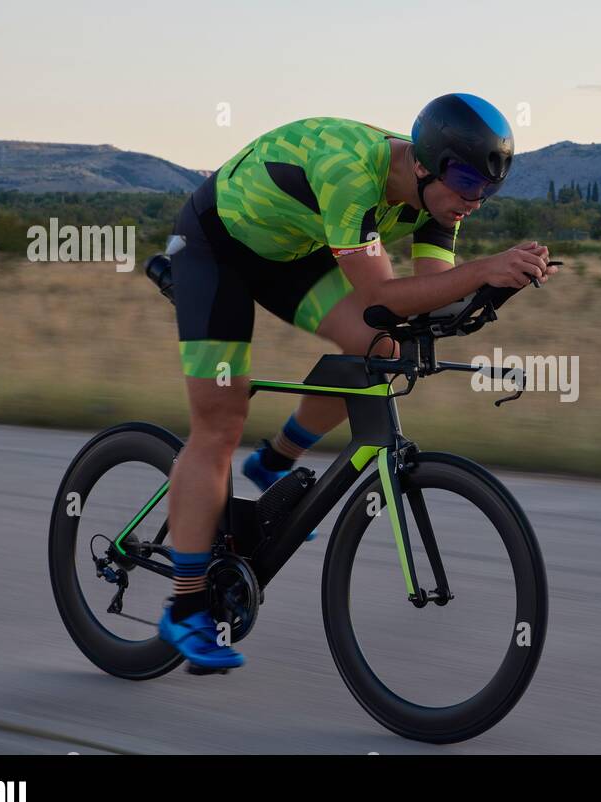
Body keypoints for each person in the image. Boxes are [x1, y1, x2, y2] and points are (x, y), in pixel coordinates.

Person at [157, 93, 558, 671]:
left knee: (382, 346)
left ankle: (274, 461)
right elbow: (380, 297)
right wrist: (485, 268)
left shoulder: (440, 201)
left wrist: (497, 286)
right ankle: (185, 607)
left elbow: (427, 299)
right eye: (467, 180)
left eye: (488, 189)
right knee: (220, 422)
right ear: (424, 164)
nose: (474, 200)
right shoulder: (353, 173)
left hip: (289, 252)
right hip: (215, 246)